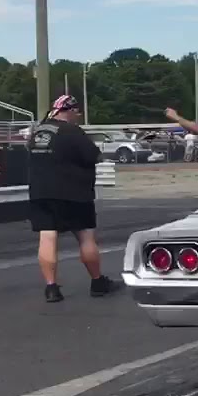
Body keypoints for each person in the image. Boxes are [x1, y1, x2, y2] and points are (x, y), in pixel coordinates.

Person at [28, 95, 122, 303]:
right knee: (86, 237)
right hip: (74, 193)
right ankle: (97, 282)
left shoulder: (38, 131)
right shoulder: (72, 131)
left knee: (47, 237)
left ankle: (51, 287)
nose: (78, 116)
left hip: (41, 192)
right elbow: (93, 156)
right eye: (77, 111)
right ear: (68, 110)